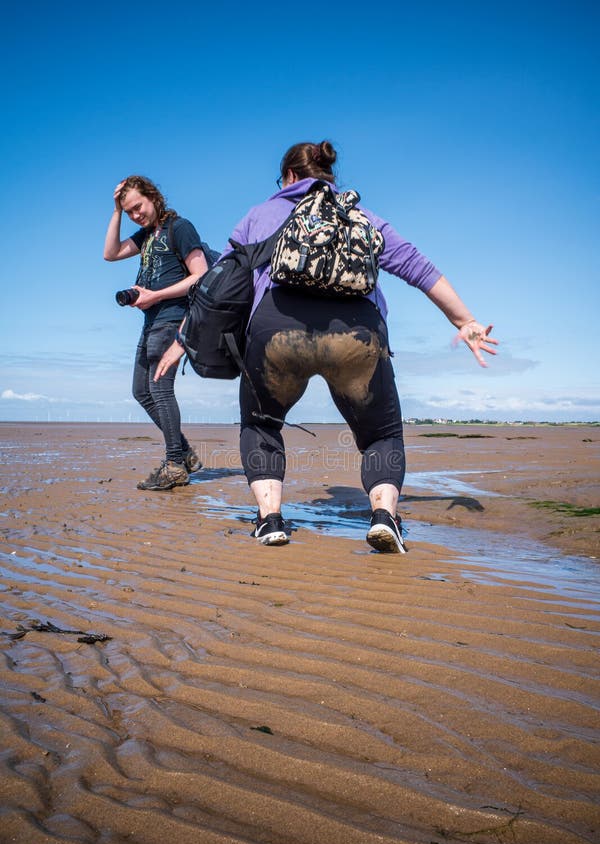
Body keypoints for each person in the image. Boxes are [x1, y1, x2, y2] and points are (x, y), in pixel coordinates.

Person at [157, 141, 498, 551]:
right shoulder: (359, 215)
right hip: (357, 333)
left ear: (288, 178)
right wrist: (466, 322)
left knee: (262, 425)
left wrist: (184, 339)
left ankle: (270, 520)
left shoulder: (260, 214)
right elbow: (415, 266)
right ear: (329, 176)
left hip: (277, 330)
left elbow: (218, 285)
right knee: (380, 434)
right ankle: (384, 517)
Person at [104, 175, 208, 490]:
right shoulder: (146, 235)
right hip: (151, 321)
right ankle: (185, 453)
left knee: (160, 389)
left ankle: (175, 464)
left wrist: (156, 295)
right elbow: (110, 253)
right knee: (141, 390)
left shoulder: (180, 228)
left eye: (138, 207)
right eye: (130, 211)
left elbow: (201, 275)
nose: (136, 215)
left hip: (173, 318)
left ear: (153, 196)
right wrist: (116, 212)